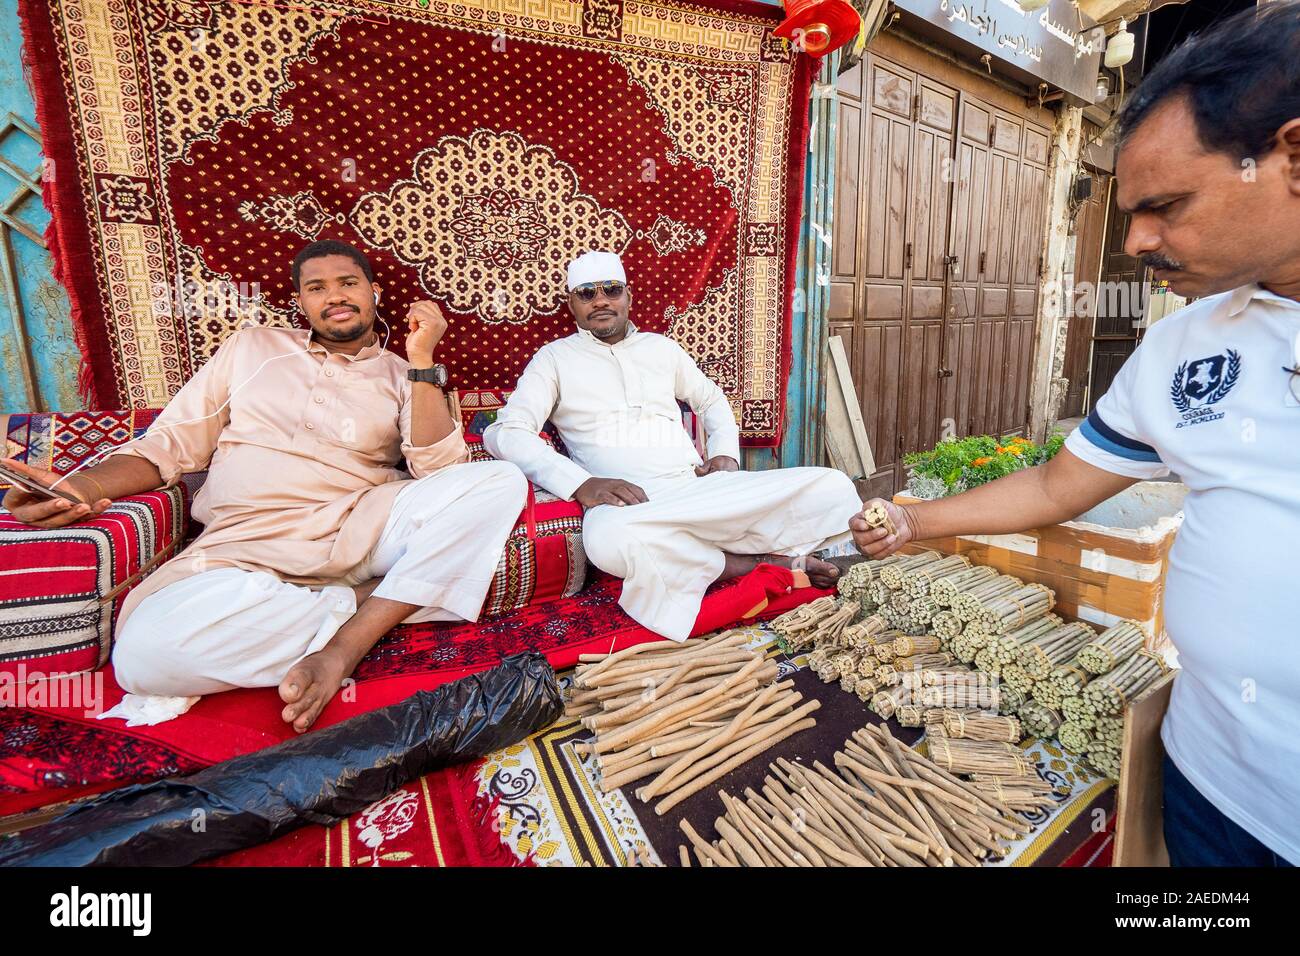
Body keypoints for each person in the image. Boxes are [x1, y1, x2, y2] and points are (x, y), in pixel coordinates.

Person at [851, 4, 1300, 867]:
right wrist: (914, 522)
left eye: (1165, 206)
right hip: (1207, 783)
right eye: (1127, 210)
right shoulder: (1182, 343)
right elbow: (1061, 486)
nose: (1135, 243)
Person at [2, 240, 528, 732]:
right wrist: (78, 488)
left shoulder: (400, 371)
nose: (335, 296)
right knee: (145, 658)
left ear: (374, 293)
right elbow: (170, 444)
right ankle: (379, 601)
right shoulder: (252, 349)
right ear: (300, 301)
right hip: (242, 546)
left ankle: (346, 644)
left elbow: (440, 468)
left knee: (498, 479)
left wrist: (421, 361)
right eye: (316, 288)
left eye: (348, 282)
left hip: (359, 526)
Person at [484, 250, 862, 641]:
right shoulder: (554, 359)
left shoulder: (661, 349)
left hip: (697, 487)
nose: (600, 300)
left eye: (611, 290)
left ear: (628, 297)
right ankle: (757, 562)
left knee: (831, 485)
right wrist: (582, 484)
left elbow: (711, 400)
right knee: (608, 543)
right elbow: (507, 432)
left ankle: (709, 556)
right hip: (629, 505)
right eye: (587, 293)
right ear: (573, 305)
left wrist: (724, 456)